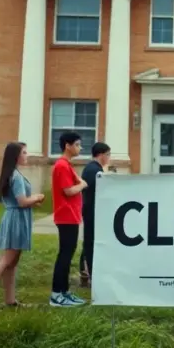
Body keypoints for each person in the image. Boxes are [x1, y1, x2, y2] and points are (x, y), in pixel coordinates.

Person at [0, 142, 45, 310]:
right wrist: (36, 197)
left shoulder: (13, 174)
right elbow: (22, 201)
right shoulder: (16, 176)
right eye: (24, 152)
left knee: (12, 262)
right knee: (6, 260)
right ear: (16, 156)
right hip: (16, 219)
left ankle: (10, 299)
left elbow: (18, 200)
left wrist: (32, 201)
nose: (26, 155)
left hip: (16, 217)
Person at [50, 131, 89, 307]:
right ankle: (57, 295)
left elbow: (78, 182)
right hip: (65, 216)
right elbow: (69, 191)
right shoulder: (62, 166)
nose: (80, 147)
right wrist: (81, 185)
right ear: (68, 145)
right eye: (78, 144)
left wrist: (80, 182)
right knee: (64, 255)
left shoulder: (67, 165)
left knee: (68, 254)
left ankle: (64, 292)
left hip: (71, 216)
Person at [79, 141, 111, 287]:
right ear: (101, 155)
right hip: (92, 210)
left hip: (92, 209)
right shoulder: (94, 170)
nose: (109, 158)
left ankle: (85, 272)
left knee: (89, 240)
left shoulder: (93, 168)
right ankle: (89, 272)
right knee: (90, 241)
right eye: (108, 154)